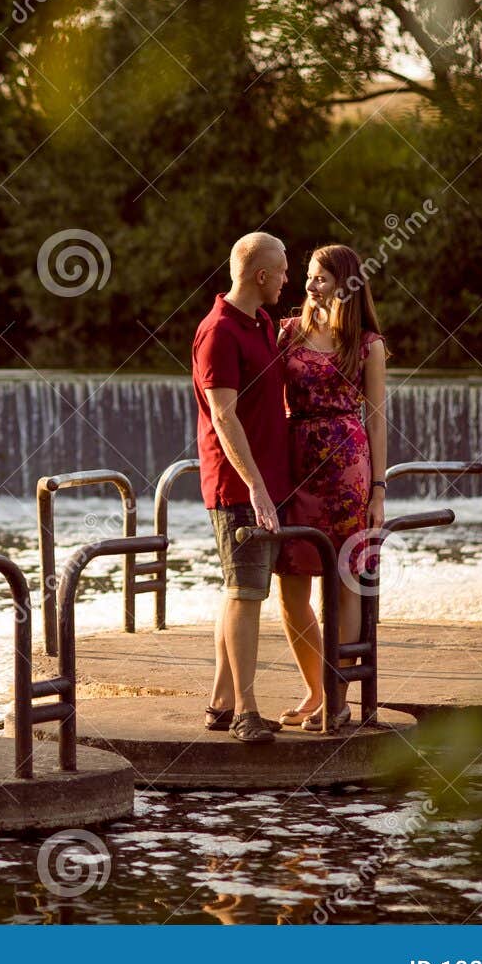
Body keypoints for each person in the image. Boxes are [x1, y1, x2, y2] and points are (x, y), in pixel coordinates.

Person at [272, 245, 388, 733]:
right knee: (290, 585)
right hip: (295, 463)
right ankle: (315, 688)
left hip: (347, 469)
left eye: (321, 278)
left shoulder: (367, 344)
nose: (310, 285)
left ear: (346, 284)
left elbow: (376, 420)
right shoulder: (287, 333)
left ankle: (336, 698)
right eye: (308, 276)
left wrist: (378, 490)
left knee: (344, 582)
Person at [192, 231, 292, 745]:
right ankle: (246, 712)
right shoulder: (218, 333)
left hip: (262, 483)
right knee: (245, 594)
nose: (287, 279)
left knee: (240, 592)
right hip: (238, 487)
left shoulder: (262, 323)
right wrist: (255, 486)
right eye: (283, 271)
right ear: (261, 275)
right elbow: (224, 416)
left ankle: (221, 702)